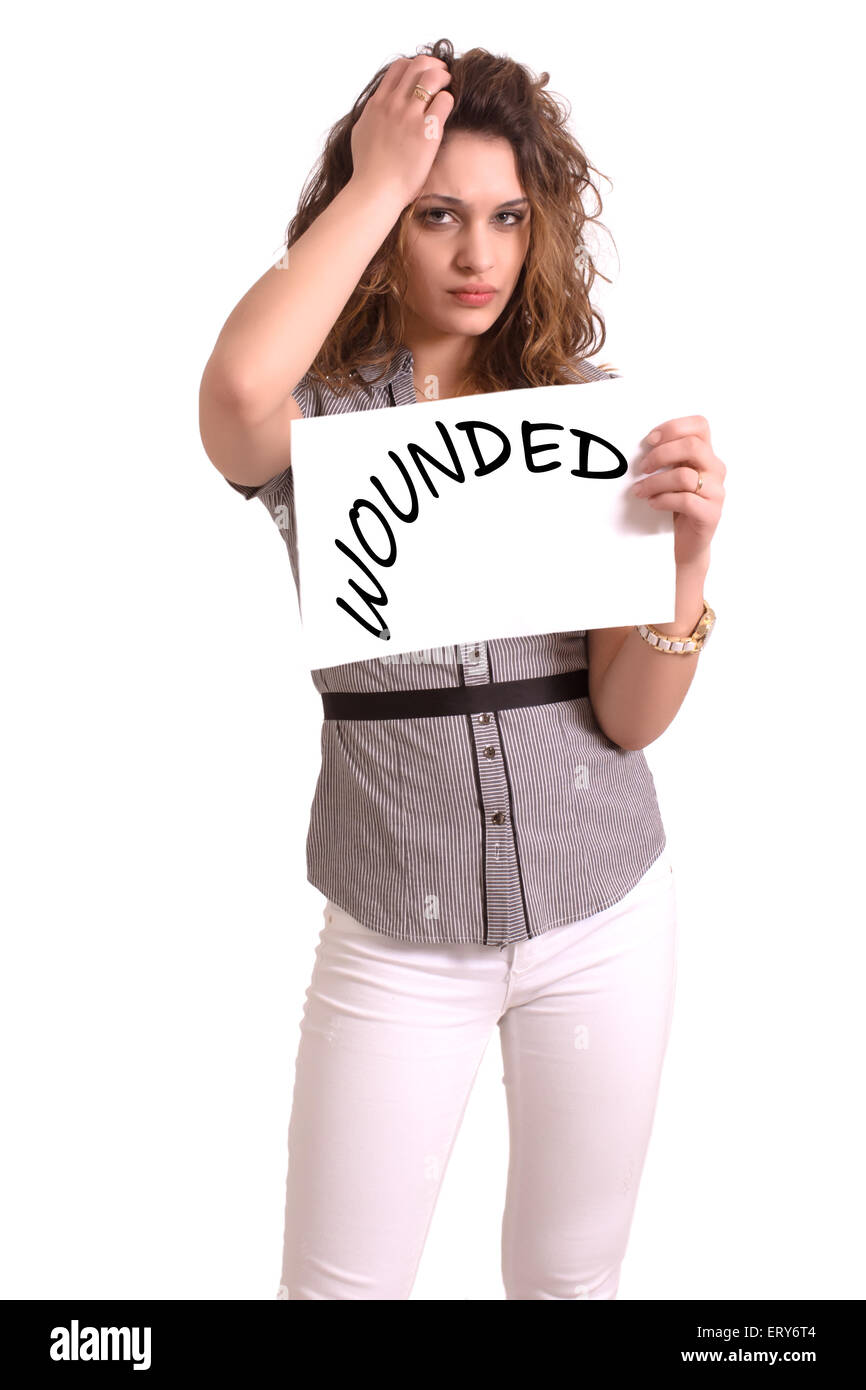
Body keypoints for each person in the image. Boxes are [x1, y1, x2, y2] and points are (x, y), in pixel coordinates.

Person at [198, 38, 726, 1300]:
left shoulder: (583, 413)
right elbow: (230, 394)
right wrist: (377, 181)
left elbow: (627, 719)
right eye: (438, 216)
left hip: (603, 910)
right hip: (396, 925)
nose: (476, 255)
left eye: (503, 217)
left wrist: (688, 567)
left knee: (569, 1282)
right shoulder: (322, 421)